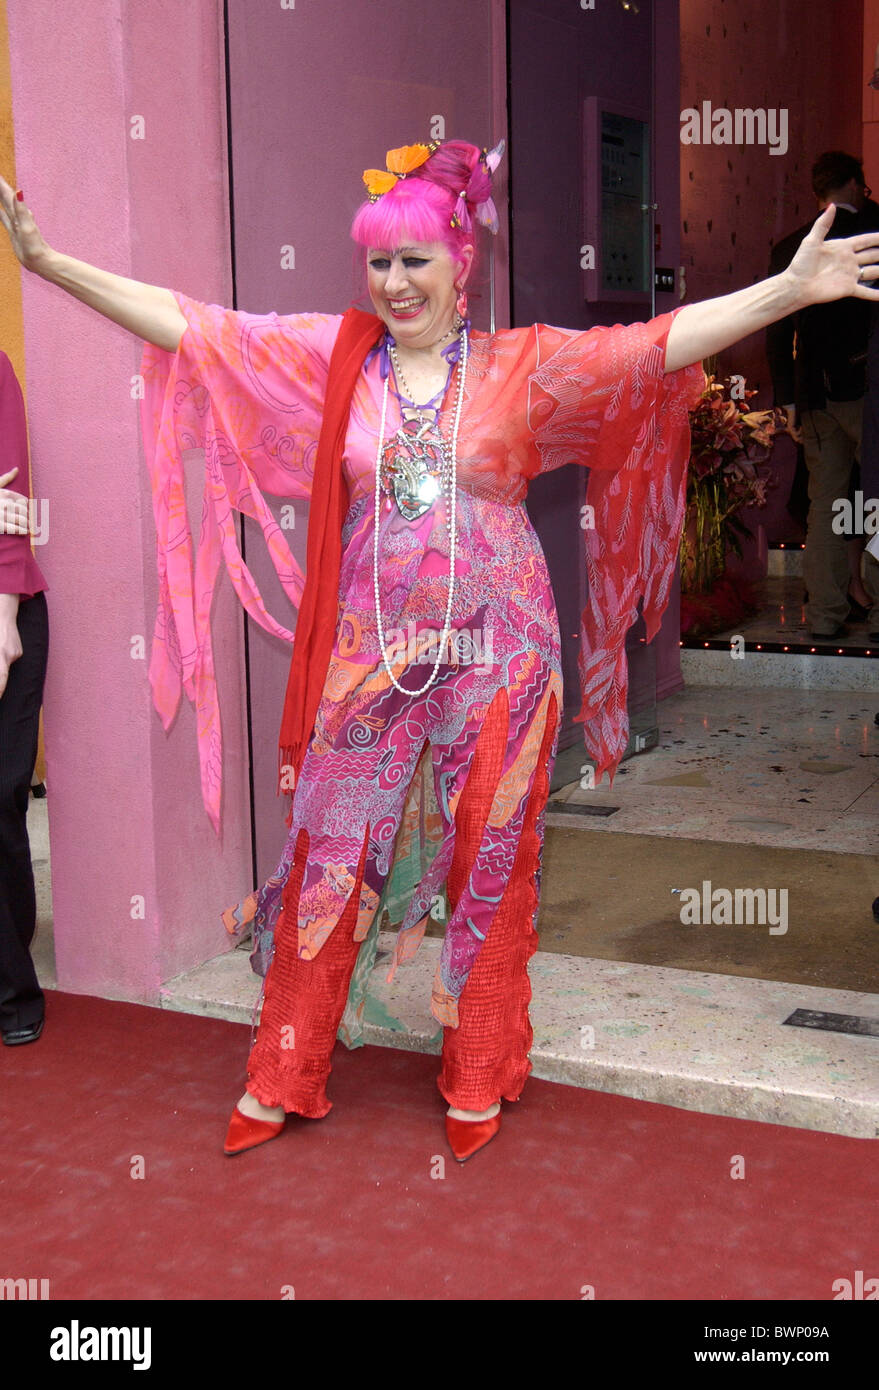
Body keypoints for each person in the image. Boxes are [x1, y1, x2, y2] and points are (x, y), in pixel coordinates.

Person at [3, 138, 878, 1162]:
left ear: (463, 263)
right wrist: (50, 263)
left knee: (492, 861)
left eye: (416, 259)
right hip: (372, 655)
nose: (396, 281)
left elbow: (657, 344)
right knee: (329, 854)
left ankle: (479, 1066)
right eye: (380, 261)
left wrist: (786, 289)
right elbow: (202, 329)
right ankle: (285, 1065)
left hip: (502, 651)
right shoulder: (339, 361)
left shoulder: (522, 367)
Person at [766, 151, 879, 638]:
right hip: (871, 392)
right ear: (856, 185)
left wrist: (788, 397)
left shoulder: (792, 246)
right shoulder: (876, 233)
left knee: (826, 505)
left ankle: (827, 615)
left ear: (819, 192)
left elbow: (773, 328)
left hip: (815, 396)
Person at [0, 351, 49, 1045]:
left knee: (3, 796)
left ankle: (15, 992)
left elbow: (12, 507)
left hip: (6, 612)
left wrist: (3, 618)